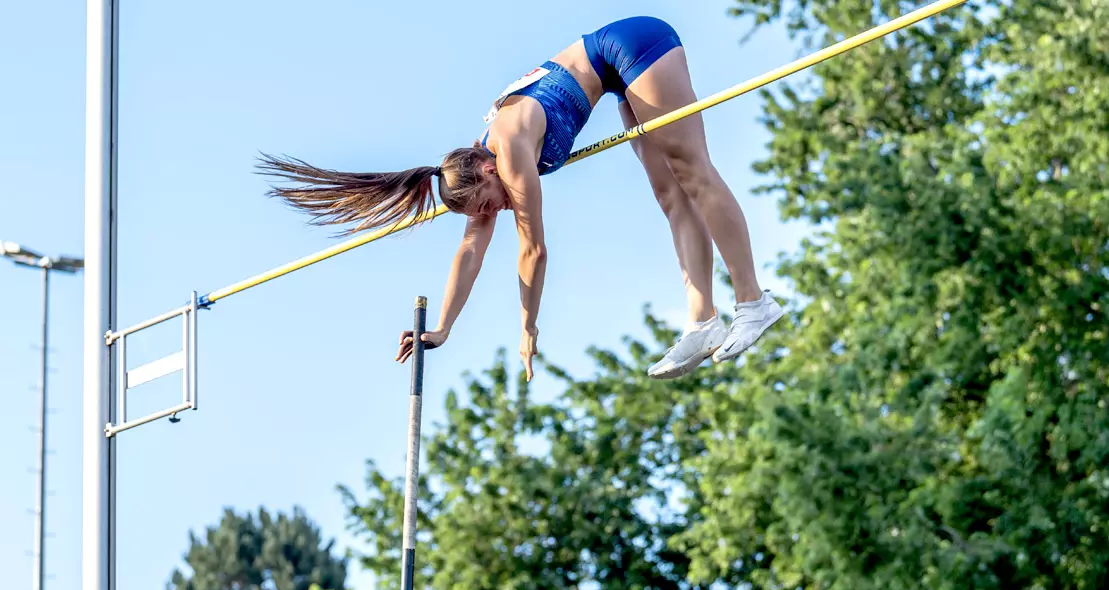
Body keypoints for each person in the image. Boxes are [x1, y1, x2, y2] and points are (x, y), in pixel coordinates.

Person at [257, 15, 784, 382]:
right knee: (669, 196)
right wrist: (443, 329)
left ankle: (753, 302)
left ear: (488, 170)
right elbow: (470, 251)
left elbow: (533, 250)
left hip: (632, 45)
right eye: (487, 211)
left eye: (490, 203)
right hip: (617, 78)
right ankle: (702, 321)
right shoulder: (480, 175)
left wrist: (528, 329)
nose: (495, 211)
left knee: (693, 171)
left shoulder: (508, 151)